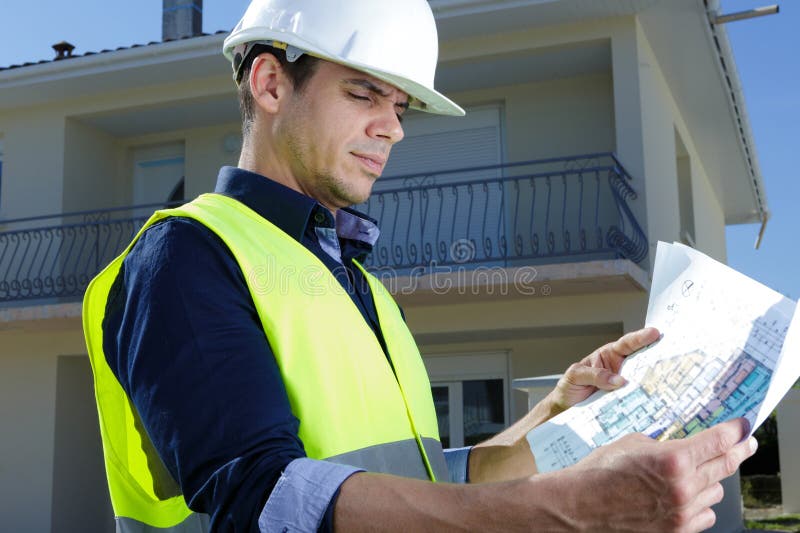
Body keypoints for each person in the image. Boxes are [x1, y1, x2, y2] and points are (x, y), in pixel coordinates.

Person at [82, 0, 757, 531]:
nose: (393, 128)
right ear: (270, 82)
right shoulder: (187, 255)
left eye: (399, 107)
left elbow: (437, 481)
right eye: (364, 95)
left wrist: (555, 413)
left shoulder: (363, 287)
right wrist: (562, 512)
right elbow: (262, 501)